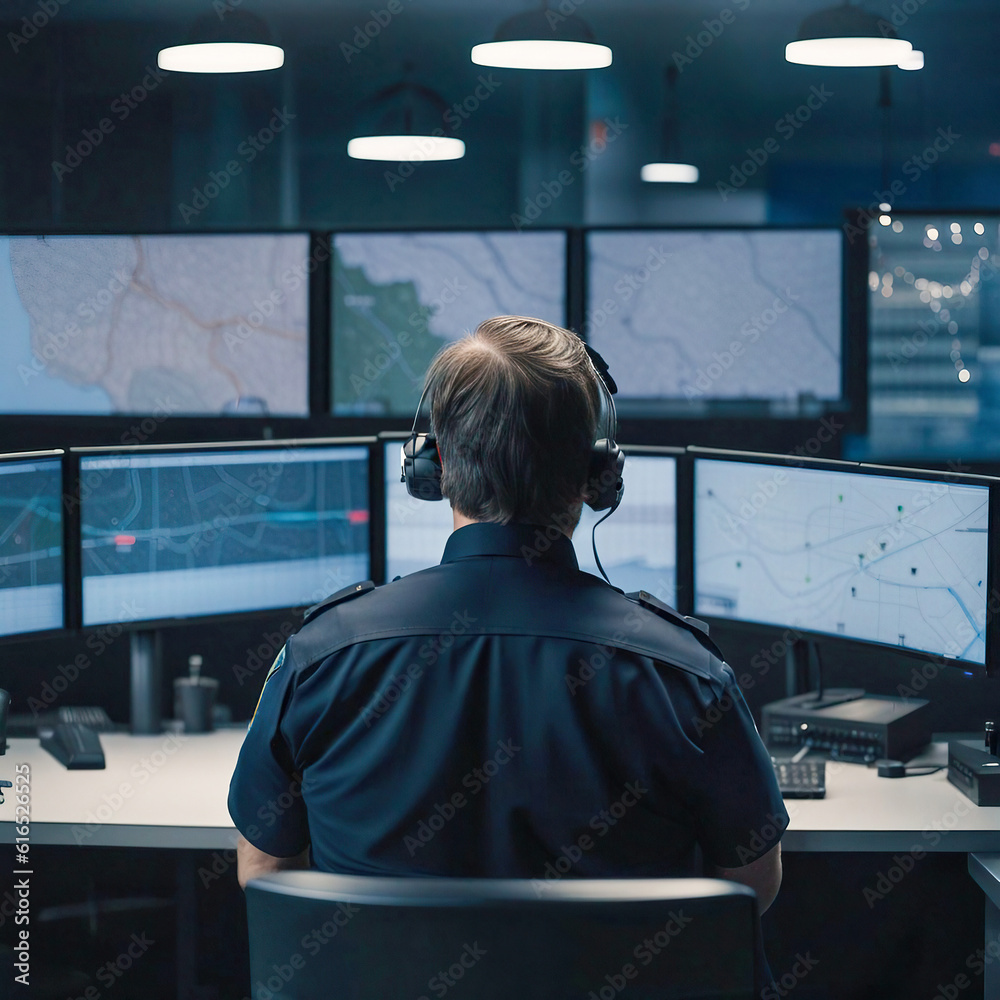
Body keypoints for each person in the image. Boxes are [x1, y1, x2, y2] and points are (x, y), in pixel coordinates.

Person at [228, 314, 786, 929]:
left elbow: (267, 877)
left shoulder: (321, 658)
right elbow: (751, 888)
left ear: (433, 467)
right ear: (599, 475)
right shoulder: (685, 675)